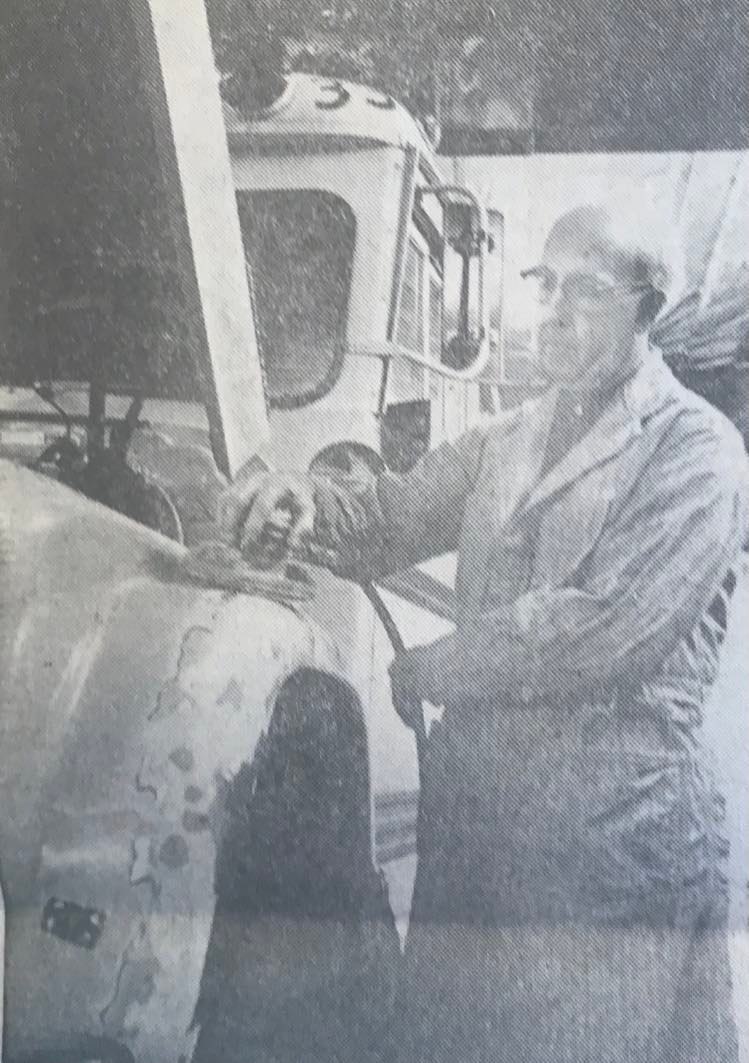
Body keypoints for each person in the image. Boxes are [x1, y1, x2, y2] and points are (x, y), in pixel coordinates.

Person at [222, 203, 748, 1063]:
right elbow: (386, 518)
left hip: (613, 842)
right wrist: (303, 499)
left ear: (646, 310)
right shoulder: (505, 438)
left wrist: (437, 666)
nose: (554, 312)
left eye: (586, 290)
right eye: (545, 285)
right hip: (481, 832)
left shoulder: (698, 450)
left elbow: (603, 628)